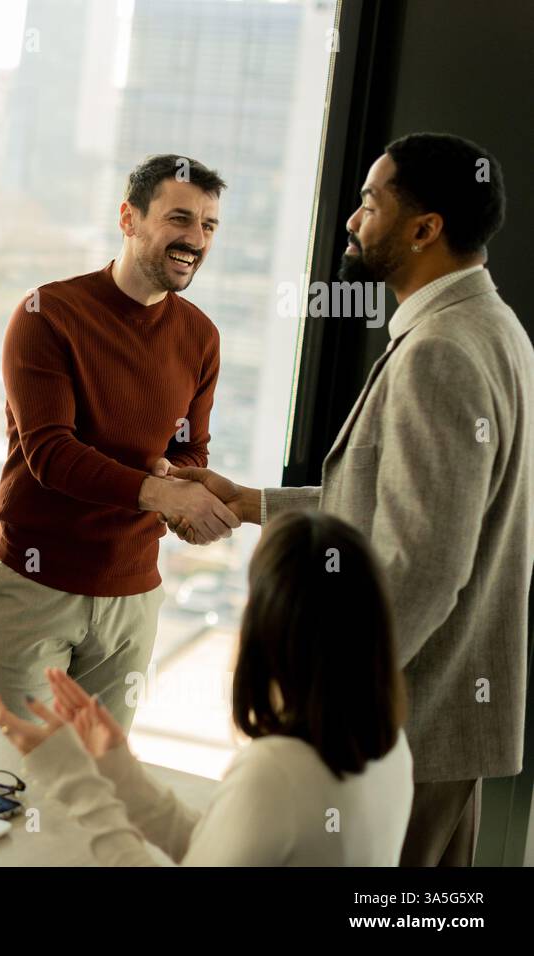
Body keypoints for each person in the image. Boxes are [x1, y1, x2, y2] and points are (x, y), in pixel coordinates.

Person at [165, 133, 533, 866]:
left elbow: (423, 565)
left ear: (425, 228)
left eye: (370, 202)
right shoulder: (492, 328)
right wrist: (246, 502)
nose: (353, 220)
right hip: (440, 729)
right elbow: (385, 499)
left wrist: (316, 702)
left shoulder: (440, 353)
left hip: (405, 727)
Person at [0, 154, 239, 731]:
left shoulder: (200, 336)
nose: (195, 239)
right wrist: (161, 494)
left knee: (102, 784)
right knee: (11, 776)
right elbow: (50, 455)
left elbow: (191, 451)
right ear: (129, 218)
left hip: (133, 595)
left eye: (209, 226)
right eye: (179, 219)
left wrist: (177, 482)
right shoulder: (48, 314)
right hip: (35, 586)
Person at [0, 511, 413, 866]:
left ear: (271, 628)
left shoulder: (278, 772)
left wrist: (73, 778)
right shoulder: (387, 749)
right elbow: (216, 850)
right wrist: (116, 768)